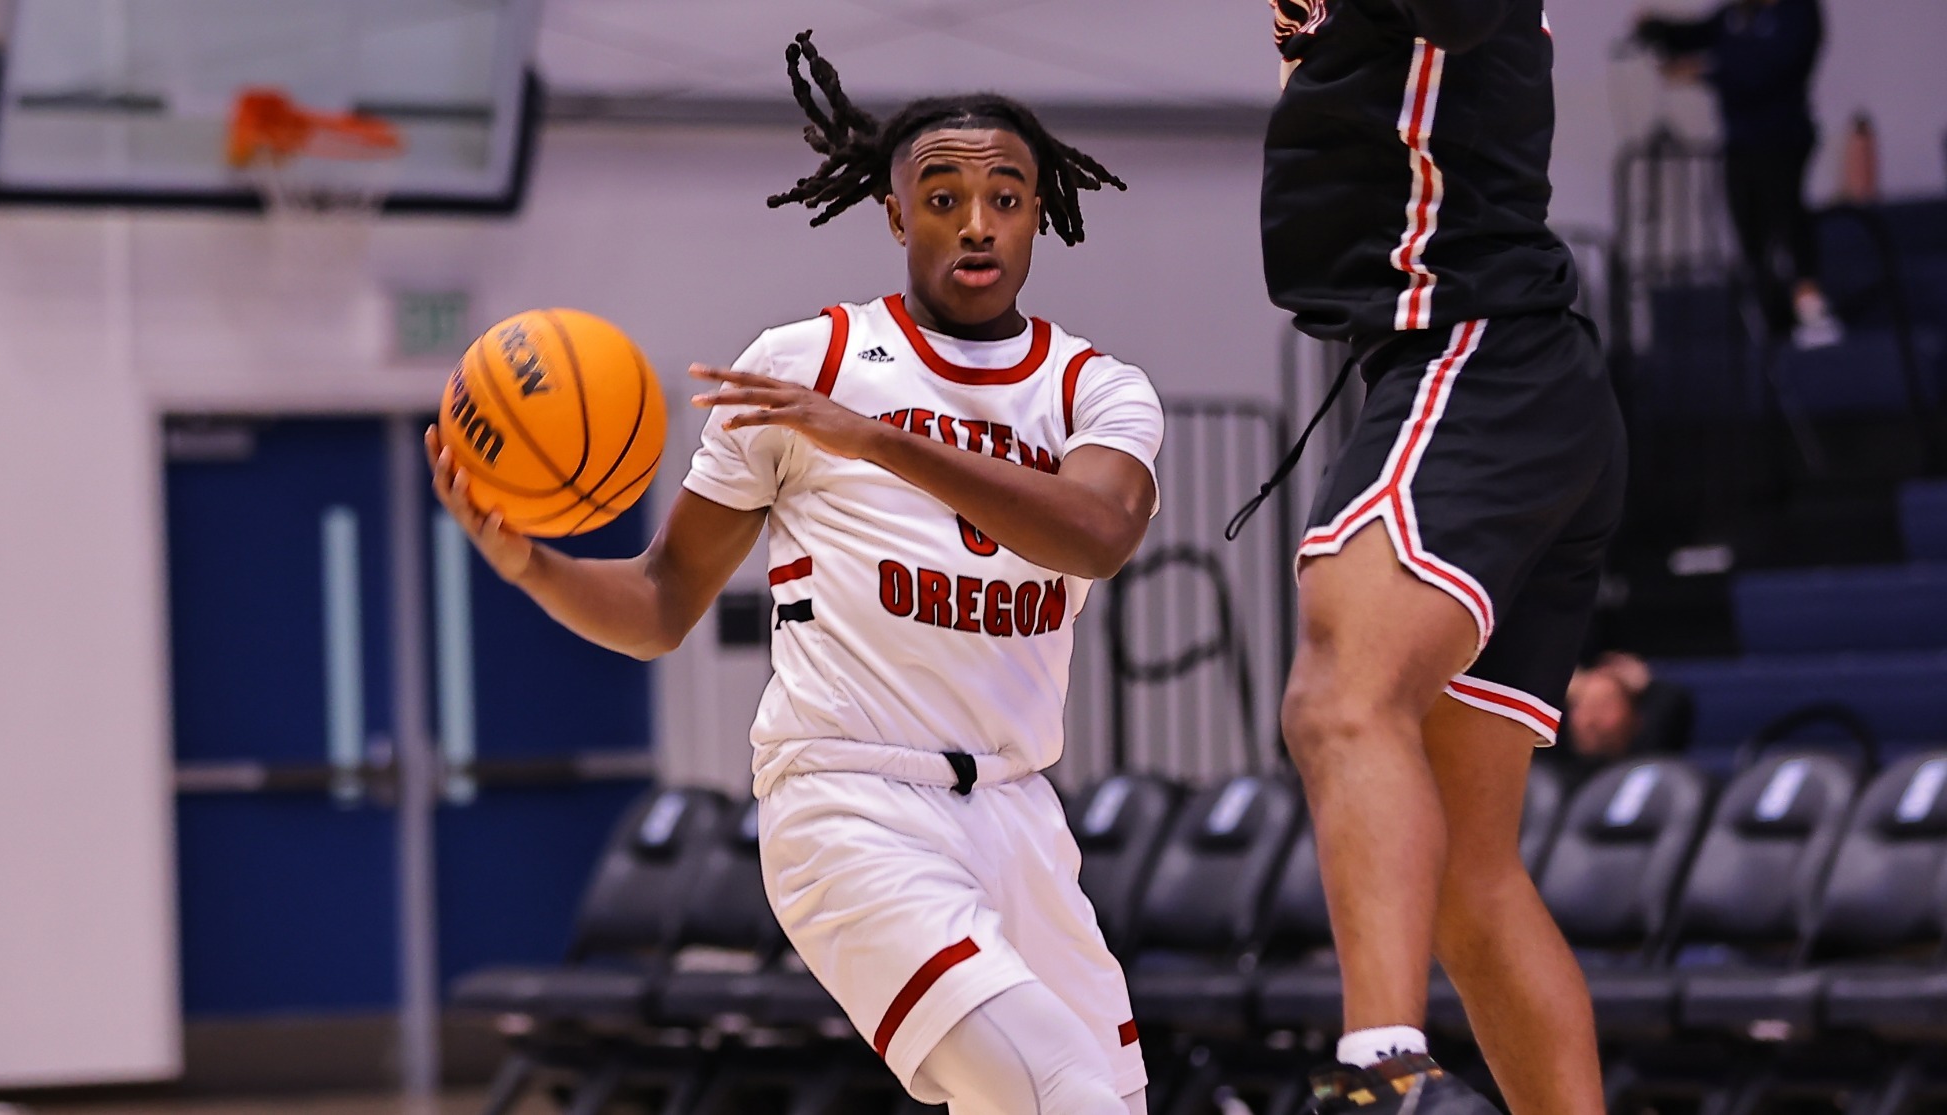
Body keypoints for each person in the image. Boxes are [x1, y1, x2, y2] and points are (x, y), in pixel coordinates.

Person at [430, 31, 1160, 1114]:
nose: (975, 220)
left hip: (1017, 810)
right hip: (850, 802)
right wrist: (533, 566)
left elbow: (1096, 532)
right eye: (943, 193)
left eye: (1005, 196)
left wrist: (876, 441)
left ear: (1037, 212)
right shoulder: (803, 366)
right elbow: (661, 602)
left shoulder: (1096, 386)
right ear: (895, 212)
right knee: (1056, 1095)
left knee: (1102, 1099)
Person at [1245, 0, 1628, 1112]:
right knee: (1465, 873)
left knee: (1338, 700)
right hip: (1503, 369)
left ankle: (1385, 1074)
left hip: (1469, 349)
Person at [1634, 0, 1841, 349]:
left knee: (1787, 218)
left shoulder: (1798, 12)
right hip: (1741, 144)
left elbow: (1766, 68)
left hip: (1783, 139)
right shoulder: (1735, 15)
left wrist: (1704, 71)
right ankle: (1769, 316)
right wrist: (1657, 30)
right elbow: (1696, 35)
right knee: (1749, 230)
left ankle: (1810, 307)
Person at [1557, 651, 1695, 783]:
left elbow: (1674, 705)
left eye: (1603, 706)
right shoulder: (1555, 779)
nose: (1590, 720)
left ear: (1634, 715)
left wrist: (1649, 686)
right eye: (1580, 707)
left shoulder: (1651, 771)